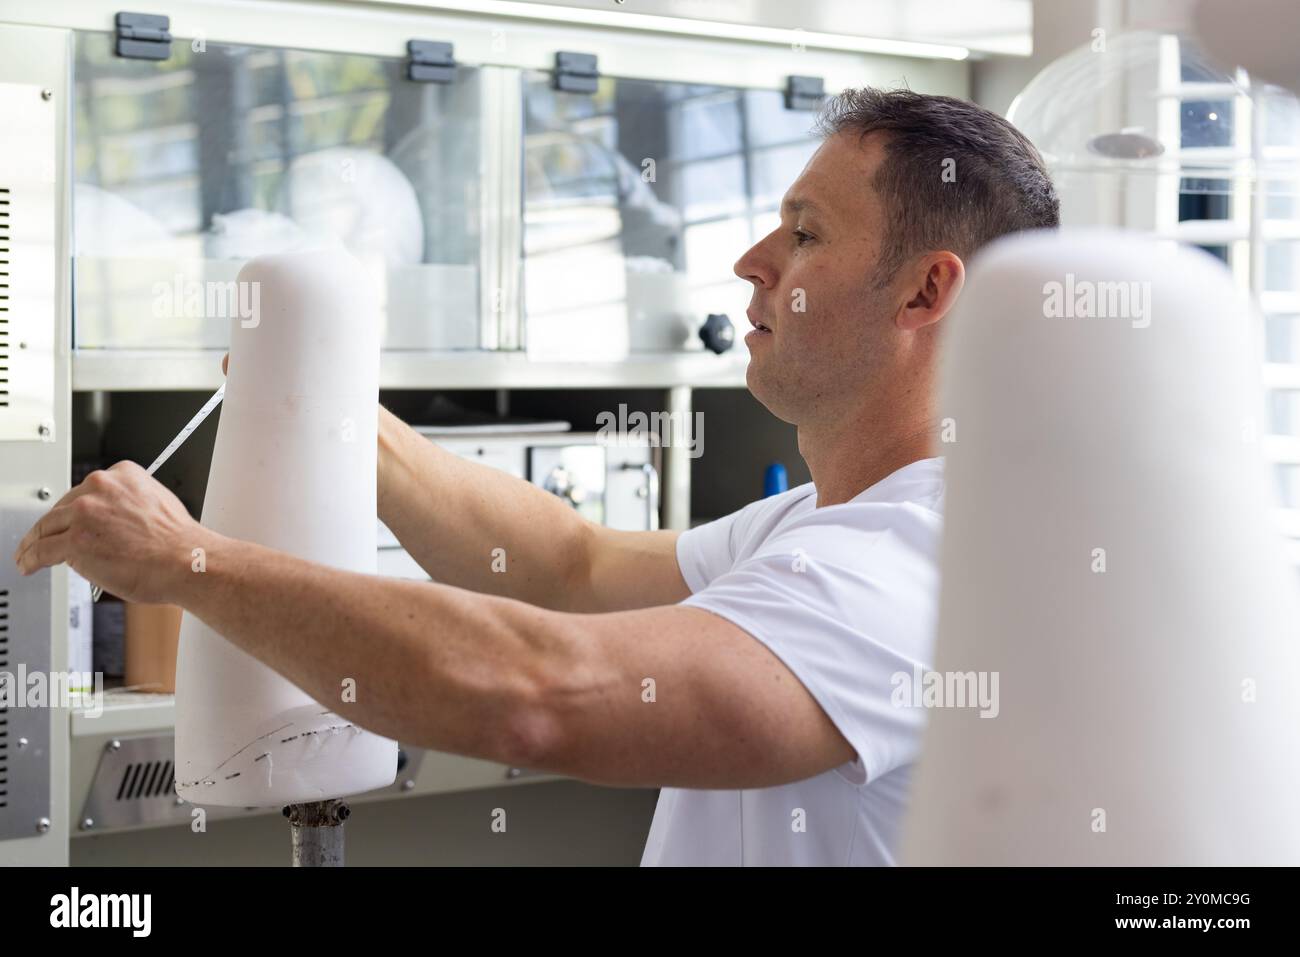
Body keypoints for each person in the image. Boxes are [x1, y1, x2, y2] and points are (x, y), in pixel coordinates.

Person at [13, 88, 1059, 866]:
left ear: (925, 291)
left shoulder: (910, 569)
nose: (751, 260)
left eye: (804, 232)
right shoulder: (825, 523)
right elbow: (567, 563)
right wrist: (326, 410)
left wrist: (189, 560)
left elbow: (537, 696)